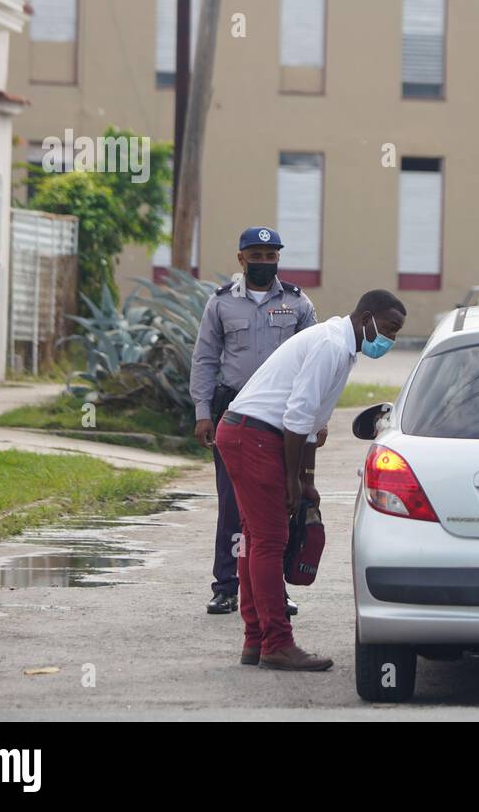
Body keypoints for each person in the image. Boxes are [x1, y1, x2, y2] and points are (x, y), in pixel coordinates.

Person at [215, 289, 406, 671]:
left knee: (257, 540)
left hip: (249, 433)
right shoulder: (330, 346)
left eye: (397, 333)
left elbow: (313, 428)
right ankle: (276, 644)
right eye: (388, 328)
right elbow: (298, 416)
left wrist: (307, 480)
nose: (390, 339)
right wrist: (291, 479)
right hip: (253, 435)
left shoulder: (342, 348)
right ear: (366, 316)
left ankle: (257, 641)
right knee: (270, 542)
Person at [190, 227, 316, 615]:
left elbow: (316, 362)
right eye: (256, 256)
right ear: (241, 259)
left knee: (280, 503)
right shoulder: (221, 303)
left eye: (271, 255)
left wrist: (316, 420)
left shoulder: (297, 303)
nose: (264, 262)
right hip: (233, 412)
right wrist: (202, 413)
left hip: (284, 416)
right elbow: (205, 359)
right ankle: (226, 586)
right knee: (232, 504)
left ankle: (274, 587)